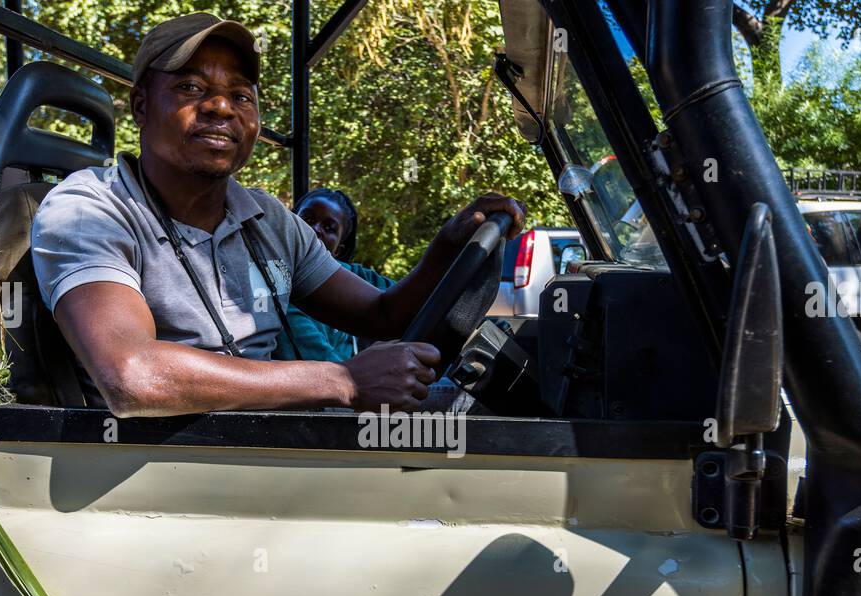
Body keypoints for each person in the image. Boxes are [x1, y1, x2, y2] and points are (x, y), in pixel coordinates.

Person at [30, 12, 525, 416]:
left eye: (241, 95)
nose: (221, 107)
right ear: (140, 106)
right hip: (164, 471)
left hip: (267, 449)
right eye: (190, 88)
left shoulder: (266, 219)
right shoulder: (89, 209)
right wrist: (344, 380)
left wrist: (445, 248)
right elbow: (131, 376)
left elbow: (381, 316)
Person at [275, 187, 394, 363]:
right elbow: (325, 369)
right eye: (307, 219)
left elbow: (410, 298)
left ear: (338, 250)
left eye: (329, 228)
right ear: (290, 222)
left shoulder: (352, 274)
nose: (315, 229)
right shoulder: (279, 280)